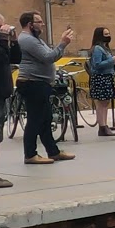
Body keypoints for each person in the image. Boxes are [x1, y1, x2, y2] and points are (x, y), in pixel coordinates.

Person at [16, 12, 74, 164]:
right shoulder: (28, 40)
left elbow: (50, 54)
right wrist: (63, 43)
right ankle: (30, 154)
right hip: (33, 83)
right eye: (39, 21)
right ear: (30, 24)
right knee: (35, 119)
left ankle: (53, 151)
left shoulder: (36, 39)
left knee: (45, 118)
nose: (42, 24)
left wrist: (61, 45)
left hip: (40, 84)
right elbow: (48, 57)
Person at [0, 12, 22, 187]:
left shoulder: (1, 43)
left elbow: (15, 59)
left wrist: (15, 40)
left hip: (0, 92)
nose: (0, 30)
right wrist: (4, 40)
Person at [88, 26, 115, 137]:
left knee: (106, 102)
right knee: (101, 102)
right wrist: (112, 60)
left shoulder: (105, 48)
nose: (108, 36)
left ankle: (105, 125)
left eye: (108, 34)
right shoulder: (98, 48)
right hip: (100, 77)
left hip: (107, 76)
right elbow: (97, 65)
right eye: (105, 34)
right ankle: (102, 126)